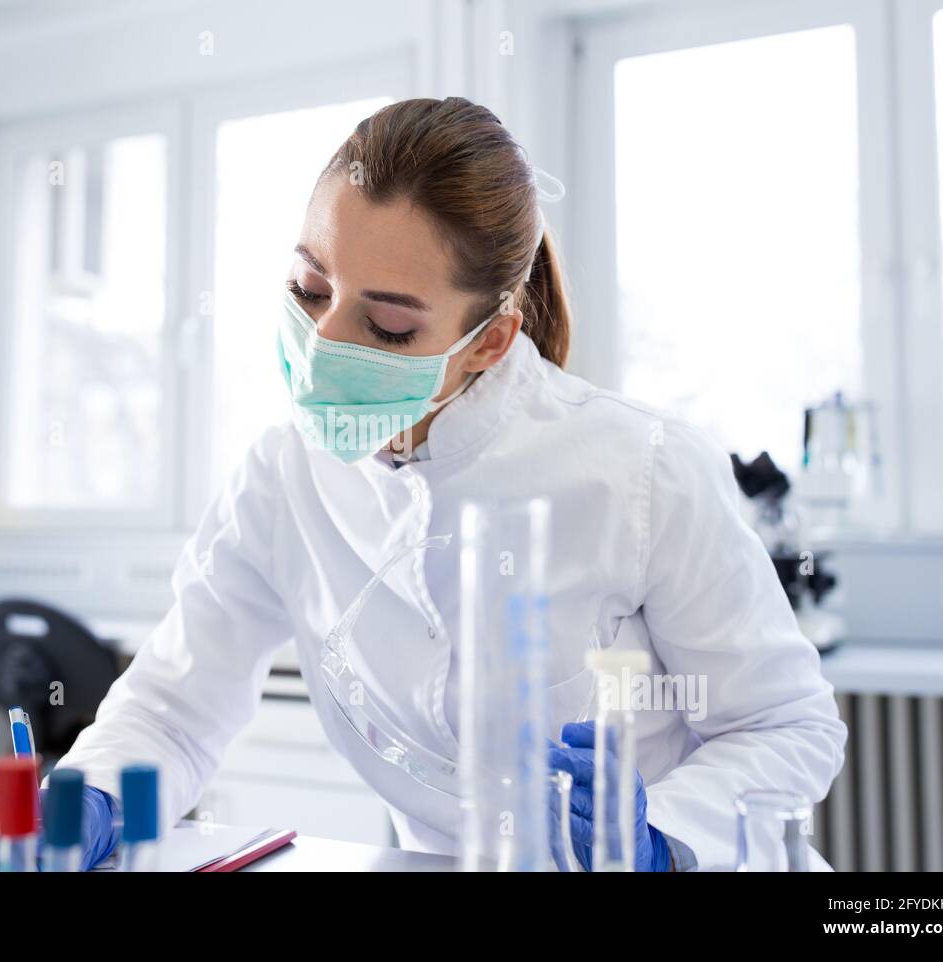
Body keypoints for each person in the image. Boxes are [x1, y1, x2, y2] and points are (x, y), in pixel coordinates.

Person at [54, 96, 847, 871]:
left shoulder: (640, 469)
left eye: (388, 325)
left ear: (489, 340)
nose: (325, 346)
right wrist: (86, 800)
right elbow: (172, 709)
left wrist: (663, 845)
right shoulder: (282, 477)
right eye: (310, 289)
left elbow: (786, 727)